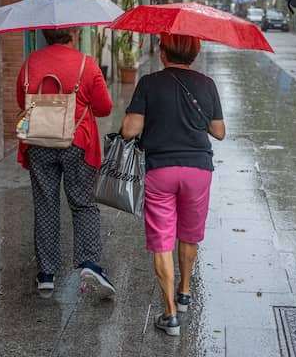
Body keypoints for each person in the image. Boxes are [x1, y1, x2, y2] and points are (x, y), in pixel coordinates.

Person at [121, 33, 225, 337]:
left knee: (162, 240)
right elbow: (219, 131)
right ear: (195, 53)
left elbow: (129, 130)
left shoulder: (149, 83)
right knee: (189, 234)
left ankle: (169, 315)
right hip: (197, 170)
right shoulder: (206, 84)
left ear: (163, 52)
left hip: (160, 170)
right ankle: (185, 290)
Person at [16, 27, 115, 299]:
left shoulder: (30, 63)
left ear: (45, 35)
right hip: (77, 142)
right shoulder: (86, 64)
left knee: (46, 204)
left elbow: (20, 100)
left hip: (39, 141)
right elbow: (105, 107)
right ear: (72, 33)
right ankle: (90, 262)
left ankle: (46, 274)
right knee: (83, 203)